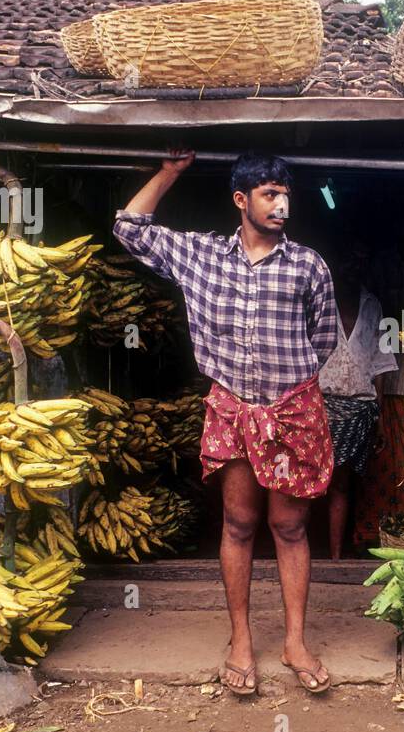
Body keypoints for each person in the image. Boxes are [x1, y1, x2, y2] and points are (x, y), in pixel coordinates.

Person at [114, 150, 340, 696]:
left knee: (288, 527)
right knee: (238, 524)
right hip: (231, 410)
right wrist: (170, 173)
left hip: (293, 410)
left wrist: (281, 388)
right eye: (268, 193)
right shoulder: (201, 256)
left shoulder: (308, 265)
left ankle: (294, 641)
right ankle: (241, 639)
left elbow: (324, 338)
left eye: (285, 193)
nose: (281, 203)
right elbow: (128, 227)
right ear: (241, 200)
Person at [318, 242, 398, 559]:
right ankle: (299, 549)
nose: (352, 271)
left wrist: (377, 411)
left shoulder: (372, 305)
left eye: (358, 264)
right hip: (321, 403)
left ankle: (335, 557)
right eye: (346, 264)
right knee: (309, 480)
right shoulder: (320, 304)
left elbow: (380, 359)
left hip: (359, 406)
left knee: (341, 483)